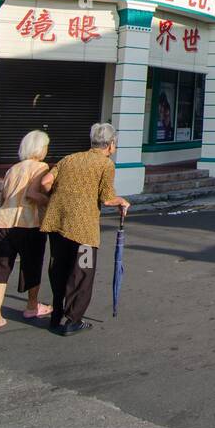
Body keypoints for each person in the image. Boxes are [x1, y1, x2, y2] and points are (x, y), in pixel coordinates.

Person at [39, 122, 130, 336]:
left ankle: (56, 315)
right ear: (110, 145)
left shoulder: (69, 158)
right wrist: (122, 202)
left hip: (57, 224)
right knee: (82, 272)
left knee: (59, 269)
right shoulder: (105, 165)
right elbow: (107, 199)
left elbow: (45, 182)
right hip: (84, 231)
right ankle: (73, 319)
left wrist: (58, 199)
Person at [0, 130, 52, 333]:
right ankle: (32, 305)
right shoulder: (41, 167)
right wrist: (49, 201)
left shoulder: (12, 169)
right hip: (28, 222)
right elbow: (34, 195)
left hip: (3, 222)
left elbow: (3, 196)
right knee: (32, 265)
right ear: (41, 149)